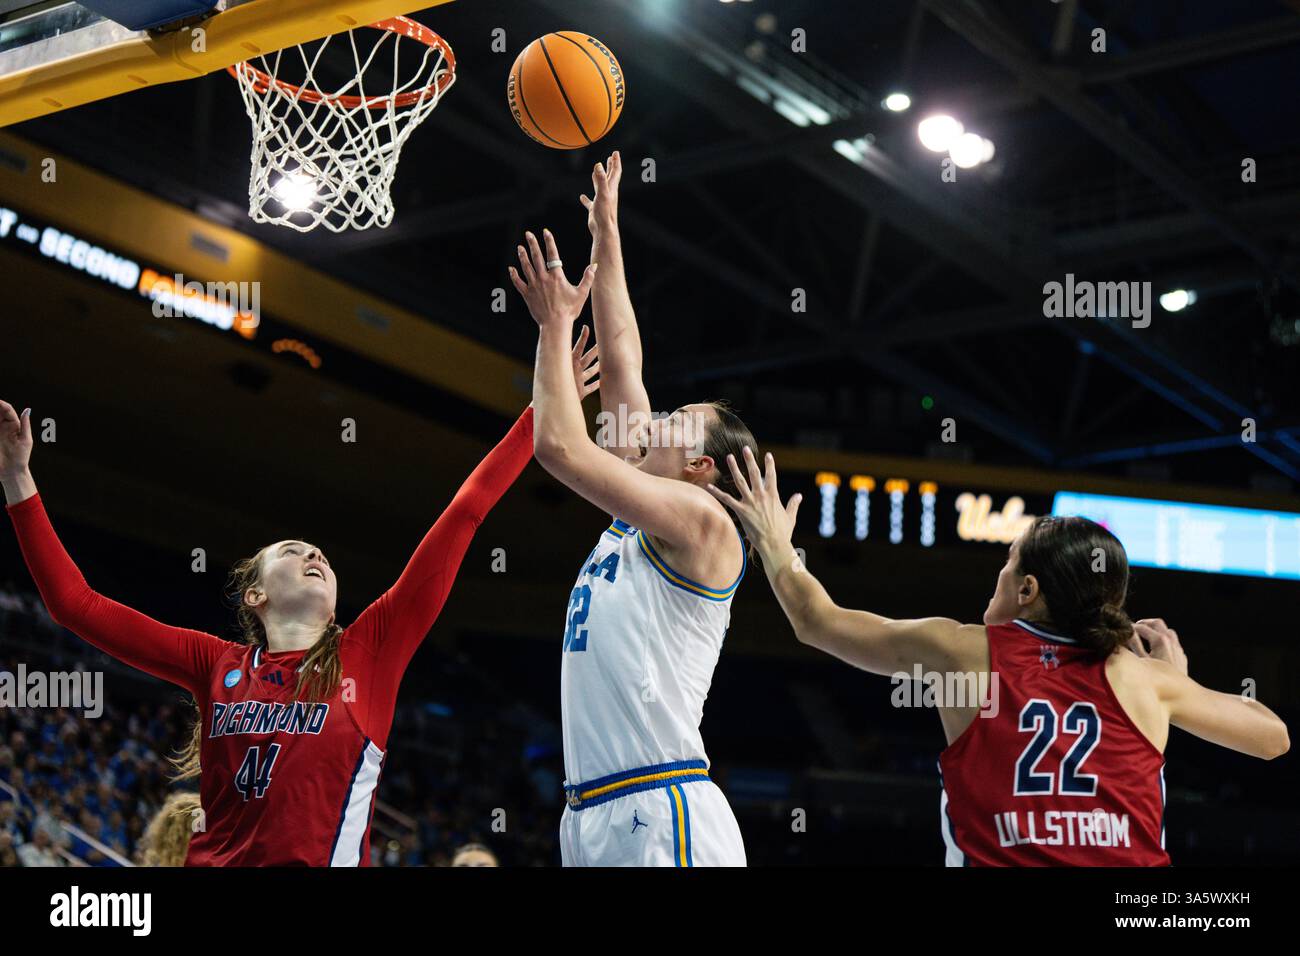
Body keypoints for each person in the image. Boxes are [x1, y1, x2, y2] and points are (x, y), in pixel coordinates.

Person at [0, 388, 582, 866]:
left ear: (333, 604)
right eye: (295, 551)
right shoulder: (217, 664)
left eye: (323, 556)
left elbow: (467, 509)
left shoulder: (370, 650)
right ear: (256, 594)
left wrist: (541, 409)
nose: (316, 557)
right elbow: (75, 604)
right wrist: (17, 480)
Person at [709, 447, 1290, 866]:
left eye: (1008, 562)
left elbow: (818, 622)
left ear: (1028, 590)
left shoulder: (963, 651)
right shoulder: (1146, 681)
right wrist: (1173, 681)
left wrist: (775, 543)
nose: (1000, 573)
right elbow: (1272, 737)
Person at [506, 152, 758, 867]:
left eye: (676, 418)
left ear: (701, 465)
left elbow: (558, 446)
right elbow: (622, 362)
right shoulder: (641, 519)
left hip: (662, 804)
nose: (652, 417)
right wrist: (607, 233)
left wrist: (554, 329)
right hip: (592, 810)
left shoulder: (706, 524)